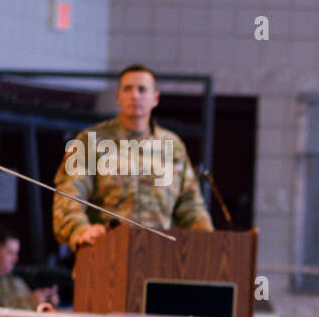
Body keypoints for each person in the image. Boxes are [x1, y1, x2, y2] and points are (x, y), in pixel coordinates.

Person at [52, 64, 214, 247]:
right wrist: (80, 230)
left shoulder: (173, 146)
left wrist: (207, 241)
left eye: (142, 89)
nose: (135, 95)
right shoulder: (91, 141)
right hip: (106, 255)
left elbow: (191, 206)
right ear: (118, 97)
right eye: (127, 89)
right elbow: (69, 196)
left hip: (162, 259)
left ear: (155, 98)